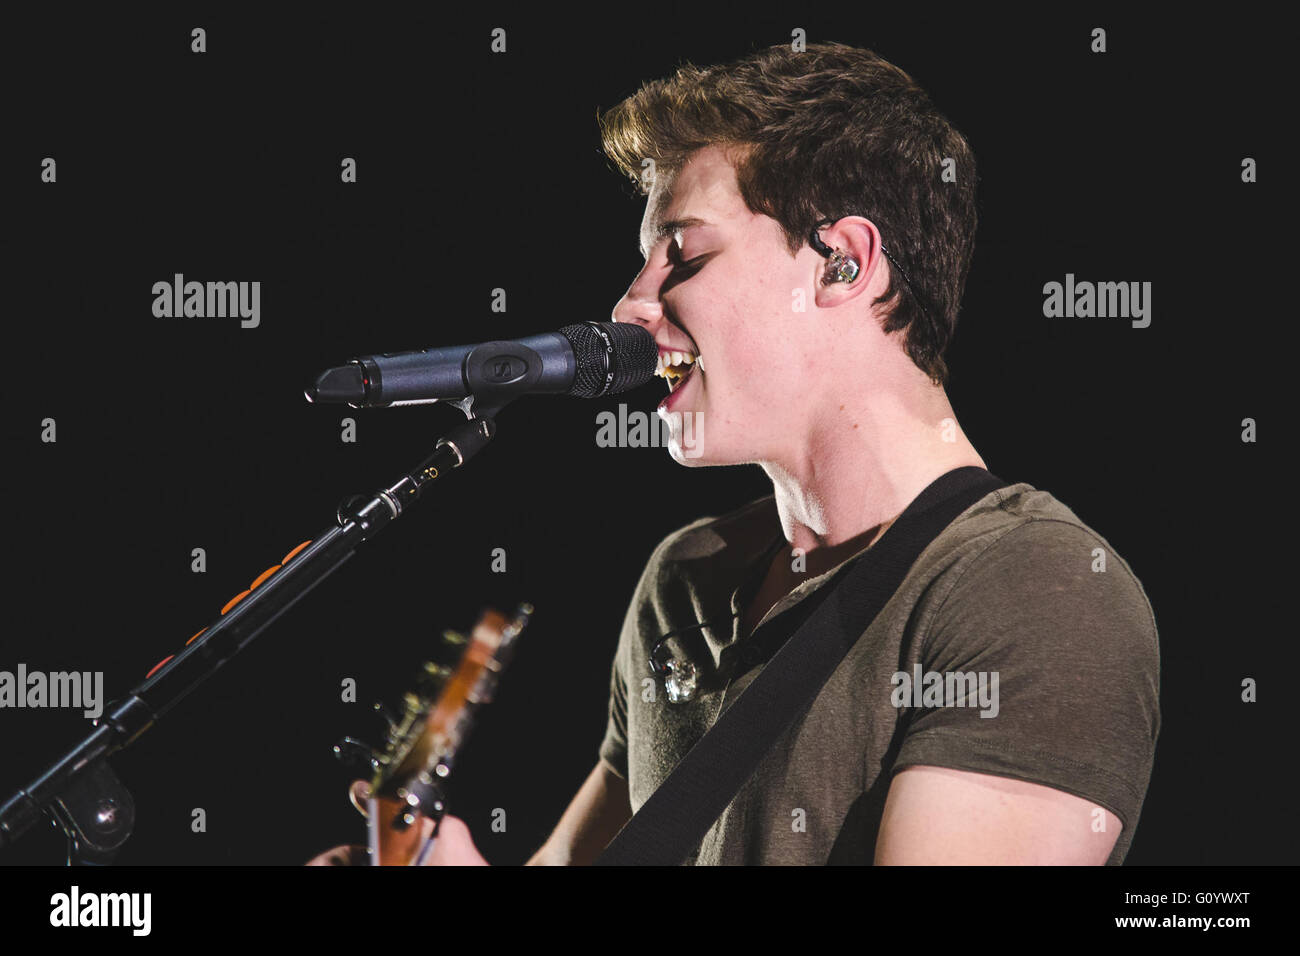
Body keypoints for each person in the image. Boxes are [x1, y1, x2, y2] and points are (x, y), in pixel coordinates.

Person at [309, 41, 1159, 867]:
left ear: (843, 264)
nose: (631, 305)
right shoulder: (686, 577)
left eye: (683, 253)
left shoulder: (1033, 591)